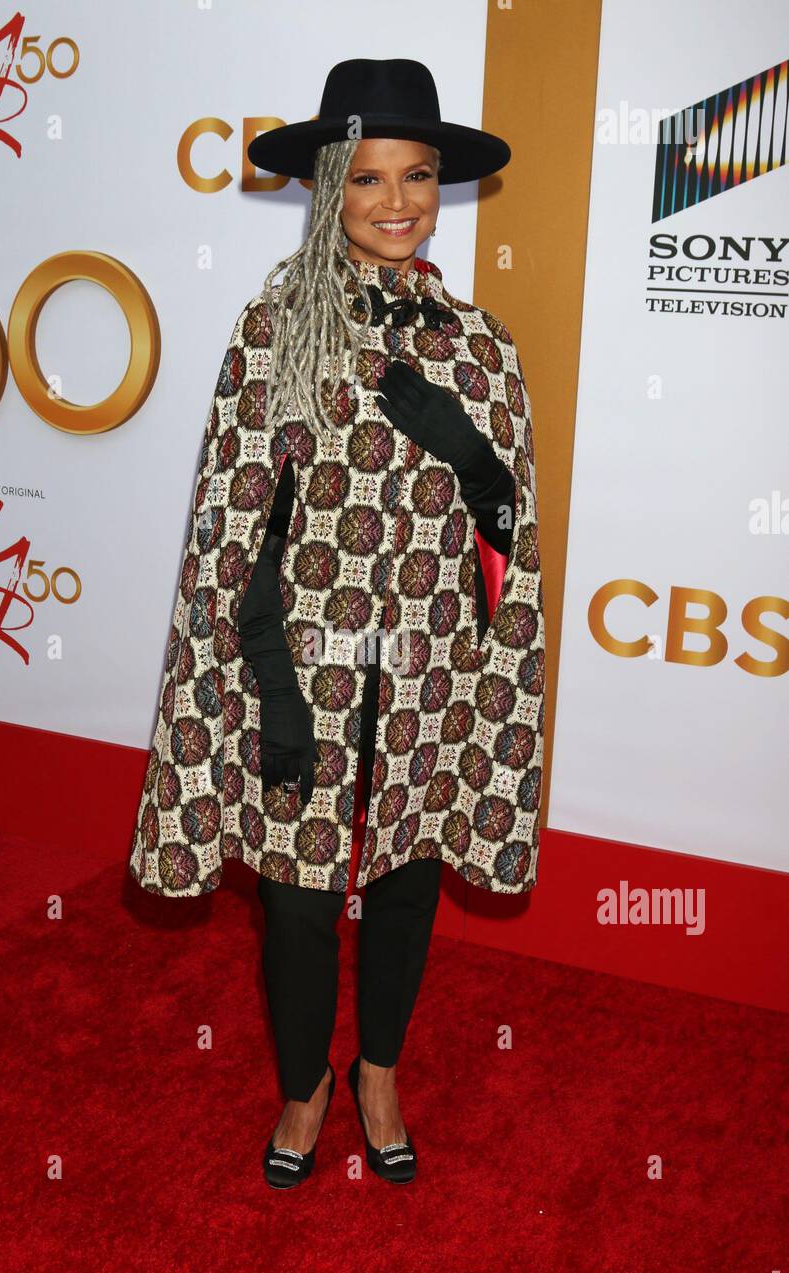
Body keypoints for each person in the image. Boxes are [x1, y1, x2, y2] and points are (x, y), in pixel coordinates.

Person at [129, 59, 545, 1190]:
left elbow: (513, 542)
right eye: (368, 179)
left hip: (430, 668)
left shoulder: (480, 344)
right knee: (298, 897)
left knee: (406, 877)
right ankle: (304, 1085)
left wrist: (465, 450)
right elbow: (232, 533)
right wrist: (267, 683)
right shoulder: (274, 332)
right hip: (300, 668)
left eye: (416, 176)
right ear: (328, 187)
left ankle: (379, 1071)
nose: (398, 202)